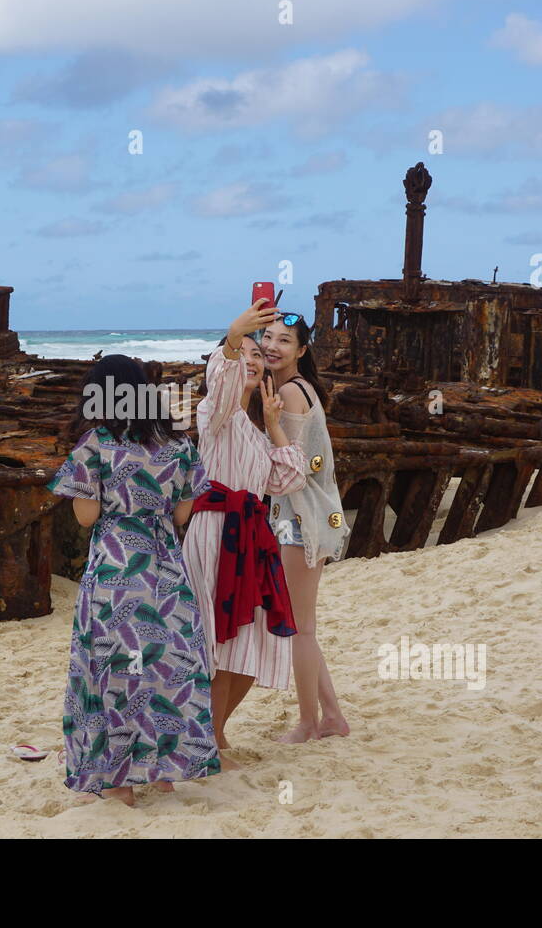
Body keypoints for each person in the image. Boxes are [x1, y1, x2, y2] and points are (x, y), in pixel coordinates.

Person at [48, 355, 220, 805]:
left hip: (114, 570)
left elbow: (85, 518)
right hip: (165, 571)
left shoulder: (94, 445)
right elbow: (184, 513)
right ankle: (163, 772)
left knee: (114, 672)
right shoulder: (180, 445)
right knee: (166, 669)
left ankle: (119, 783)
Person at [183, 300, 308, 756]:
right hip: (216, 534)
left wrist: (275, 425)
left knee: (254, 646)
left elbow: (289, 477)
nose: (255, 360)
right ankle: (209, 739)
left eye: (261, 355)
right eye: (248, 354)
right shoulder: (213, 417)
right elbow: (220, 382)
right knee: (221, 641)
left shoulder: (253, 432)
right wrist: (235, 337)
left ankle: (213, 732)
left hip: (252, 539)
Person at [260, 313, 352, 743]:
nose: (273, 345)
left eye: (284, 340)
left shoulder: (290, 392)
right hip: (309, 516)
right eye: (267, 336)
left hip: (300, 518)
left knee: (300, 629)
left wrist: (271, 424)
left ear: (301, 351)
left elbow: (292, 470)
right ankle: (332, 717)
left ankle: (309, 723)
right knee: (305, 626)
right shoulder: (300, 388)